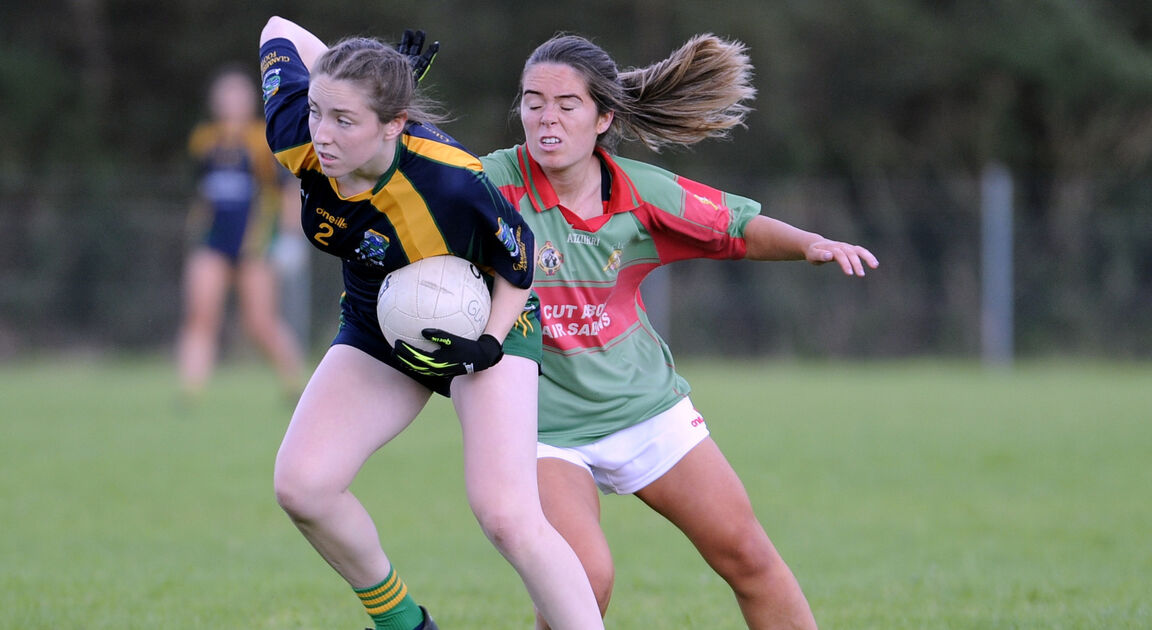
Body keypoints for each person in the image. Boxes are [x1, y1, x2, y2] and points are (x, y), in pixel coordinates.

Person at [418, 32, 879, 628]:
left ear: (603, 117)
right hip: (541, 427)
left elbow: (736, 227)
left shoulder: (639, 193)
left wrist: (811, 244)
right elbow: (406, 195)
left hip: (643, 408)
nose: (546, 117)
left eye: (567, 104)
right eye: (533, 101)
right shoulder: (486, 186)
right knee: (583, 576)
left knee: (748, 557)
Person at [257, 17, 605, 630]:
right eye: (317, 111)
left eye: (345, 120)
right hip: (377, 320)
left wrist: (489, 345)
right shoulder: (297, 136)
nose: (323, 134)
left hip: (491, 319)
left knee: (507, 515)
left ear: (394, 123)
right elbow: (279, 26)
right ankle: (405, 624)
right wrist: (370, 75)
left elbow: (519, 267)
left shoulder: (450, 180)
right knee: (303, 486)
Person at [177, 67, 306, 401]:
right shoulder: (204, 140)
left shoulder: (262, 140)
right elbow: (201, 193)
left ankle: (296, 385)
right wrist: (196, 230)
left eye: (238, 95)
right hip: (213, 242)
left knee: (259, 322)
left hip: (255, 246)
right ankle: (190, 392)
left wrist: (290, 238)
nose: (231, 102)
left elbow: (286, 191)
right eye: (225, 95)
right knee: (200, 316)